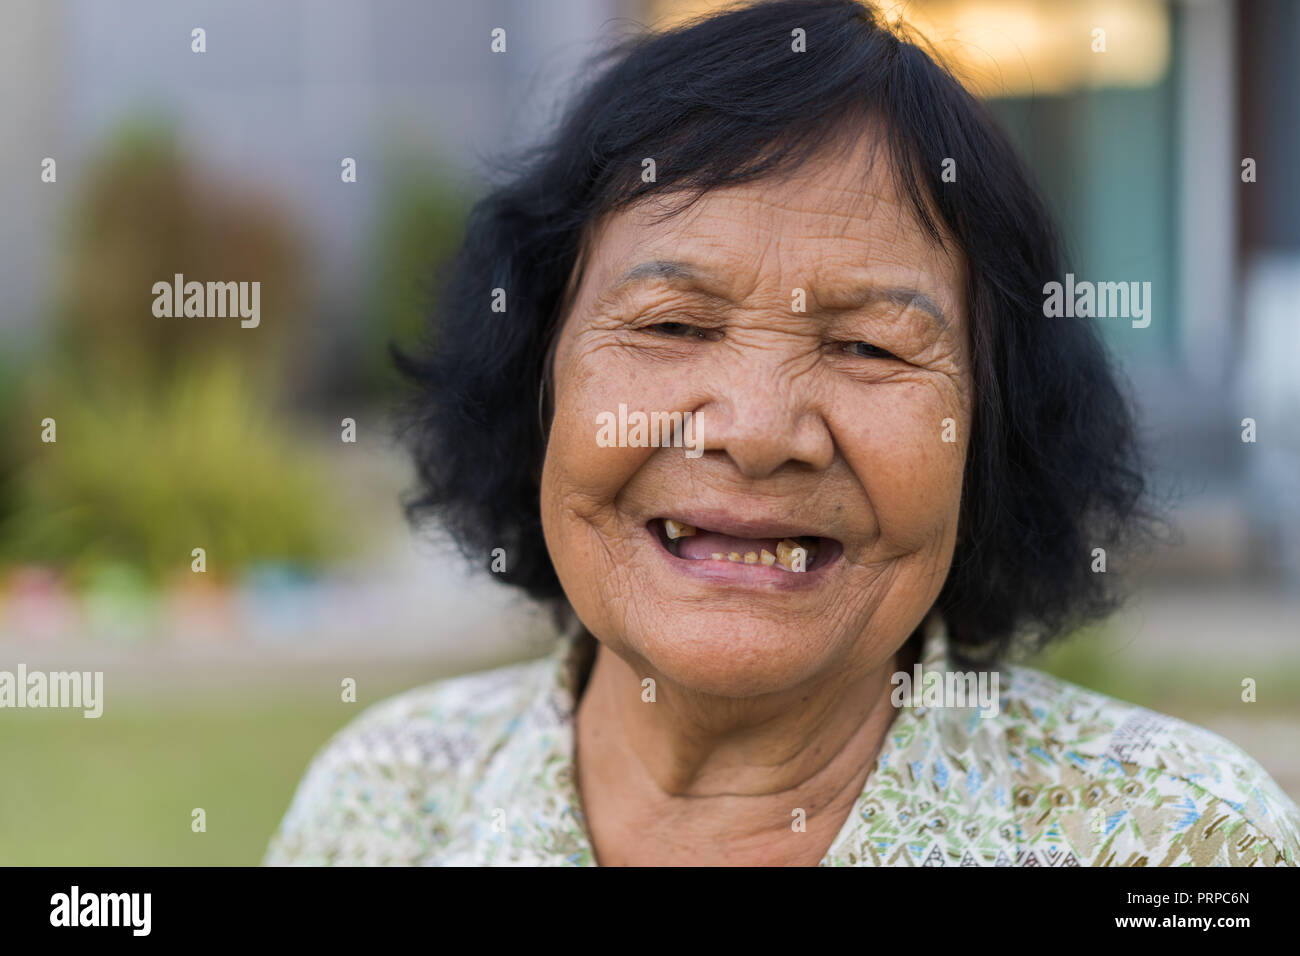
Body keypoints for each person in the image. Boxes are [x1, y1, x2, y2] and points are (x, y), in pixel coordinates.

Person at [265, 0, 1300, 866]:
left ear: (991, 436)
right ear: (534, 375)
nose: (758, 433)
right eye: (672, 326)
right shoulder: (385, 804)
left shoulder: (1177, 842)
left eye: (868, 346)